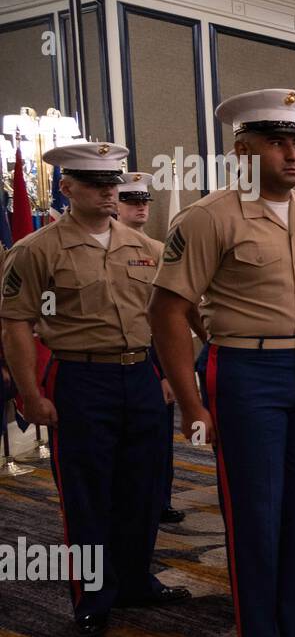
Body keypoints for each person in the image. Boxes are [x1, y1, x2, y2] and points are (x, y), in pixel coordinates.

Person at [150, 89, 295, 637]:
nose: (292, 154)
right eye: (277, 142)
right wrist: (191, 403)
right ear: (242, 150)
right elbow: (168, 311)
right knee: (256, 513)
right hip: (245, 373)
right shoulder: (209, 217)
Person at [2, 143, 190, 637]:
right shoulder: (37, 250)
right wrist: (29, 393)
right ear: (67, 189)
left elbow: (169, 318)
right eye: (96, 185)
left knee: (143, 488)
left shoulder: (147, 249)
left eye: (113, 185)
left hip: (141, 375)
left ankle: (134, 580)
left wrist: (171, 375)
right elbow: (17, 325)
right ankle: (93, 596)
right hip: (80, 378)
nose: (109, 194)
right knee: (87, 494)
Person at [115, 170, 186, 525]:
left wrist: (168, 372)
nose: (141, 207)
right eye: (131, 200)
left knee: (158, 441)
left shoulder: (158, 251)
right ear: (115, 204)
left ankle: (160, 499)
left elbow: (166, 323)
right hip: (106, 362)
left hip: (149, 361)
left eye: (144, 201)